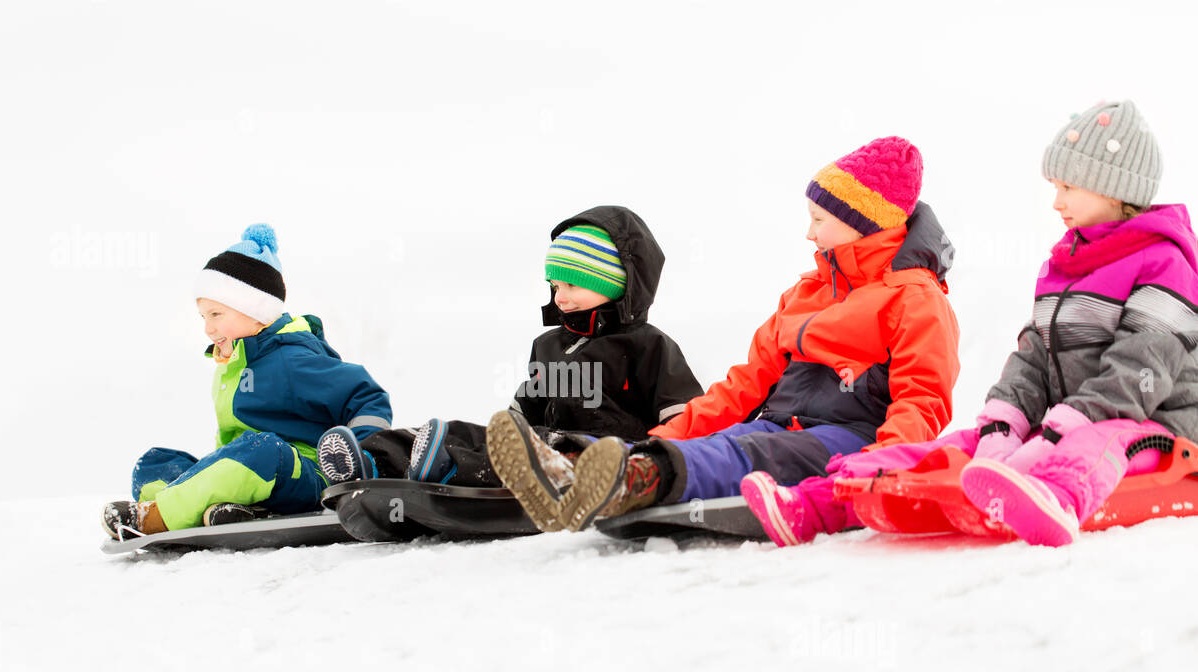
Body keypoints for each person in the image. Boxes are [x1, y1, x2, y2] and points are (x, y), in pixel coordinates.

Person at [744, 100, 1198, 547]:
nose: (1056, 201)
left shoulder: (1165, 263)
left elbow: (1136, 376)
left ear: (1114, 189)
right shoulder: (1067, 265)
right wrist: (1004, 423)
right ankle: (822, 502)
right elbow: (1034, 355)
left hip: (1155, 425)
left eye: (1068, 188)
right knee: (962, 445)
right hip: (1066, 424)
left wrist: (1058, 432)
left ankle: (1056, 500)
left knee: (1099, 440)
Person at [494, 137, 960, 533]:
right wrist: (660, 438)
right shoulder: (807, 293)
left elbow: (922, 399)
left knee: (746, 450)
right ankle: (581, 469)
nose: (808, 232)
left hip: (852, 440)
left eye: (819, 219)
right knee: (732, 439)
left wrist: (879, 467)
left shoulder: (913, 298)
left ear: (863, 223)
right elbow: (743, 387)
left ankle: (630, 480)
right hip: (779, 428)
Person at [317, 205, 704, 534]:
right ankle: (375, 458)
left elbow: (686, 419)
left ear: (616, 281)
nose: (559, 296)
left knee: (482, 453)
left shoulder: (648, 346)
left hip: (596, 454)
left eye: (571, 284)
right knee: (467, 436)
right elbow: (522, 412)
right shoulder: (549, 345)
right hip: (540, 442)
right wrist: (504, 431)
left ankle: (445, 464)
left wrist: (652, 464)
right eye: (554, 285)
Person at [101, 224, 392, 538]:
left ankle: (160, 516)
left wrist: (359, 459)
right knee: (155, 462)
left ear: (255, 312)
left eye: (216, 315)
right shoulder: (235, 364)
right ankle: (220, 508)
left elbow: (366, 394)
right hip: (247, 468)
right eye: (204, 317)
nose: (208, 329)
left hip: (302, 472)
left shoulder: (292, 359)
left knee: (259, 450)